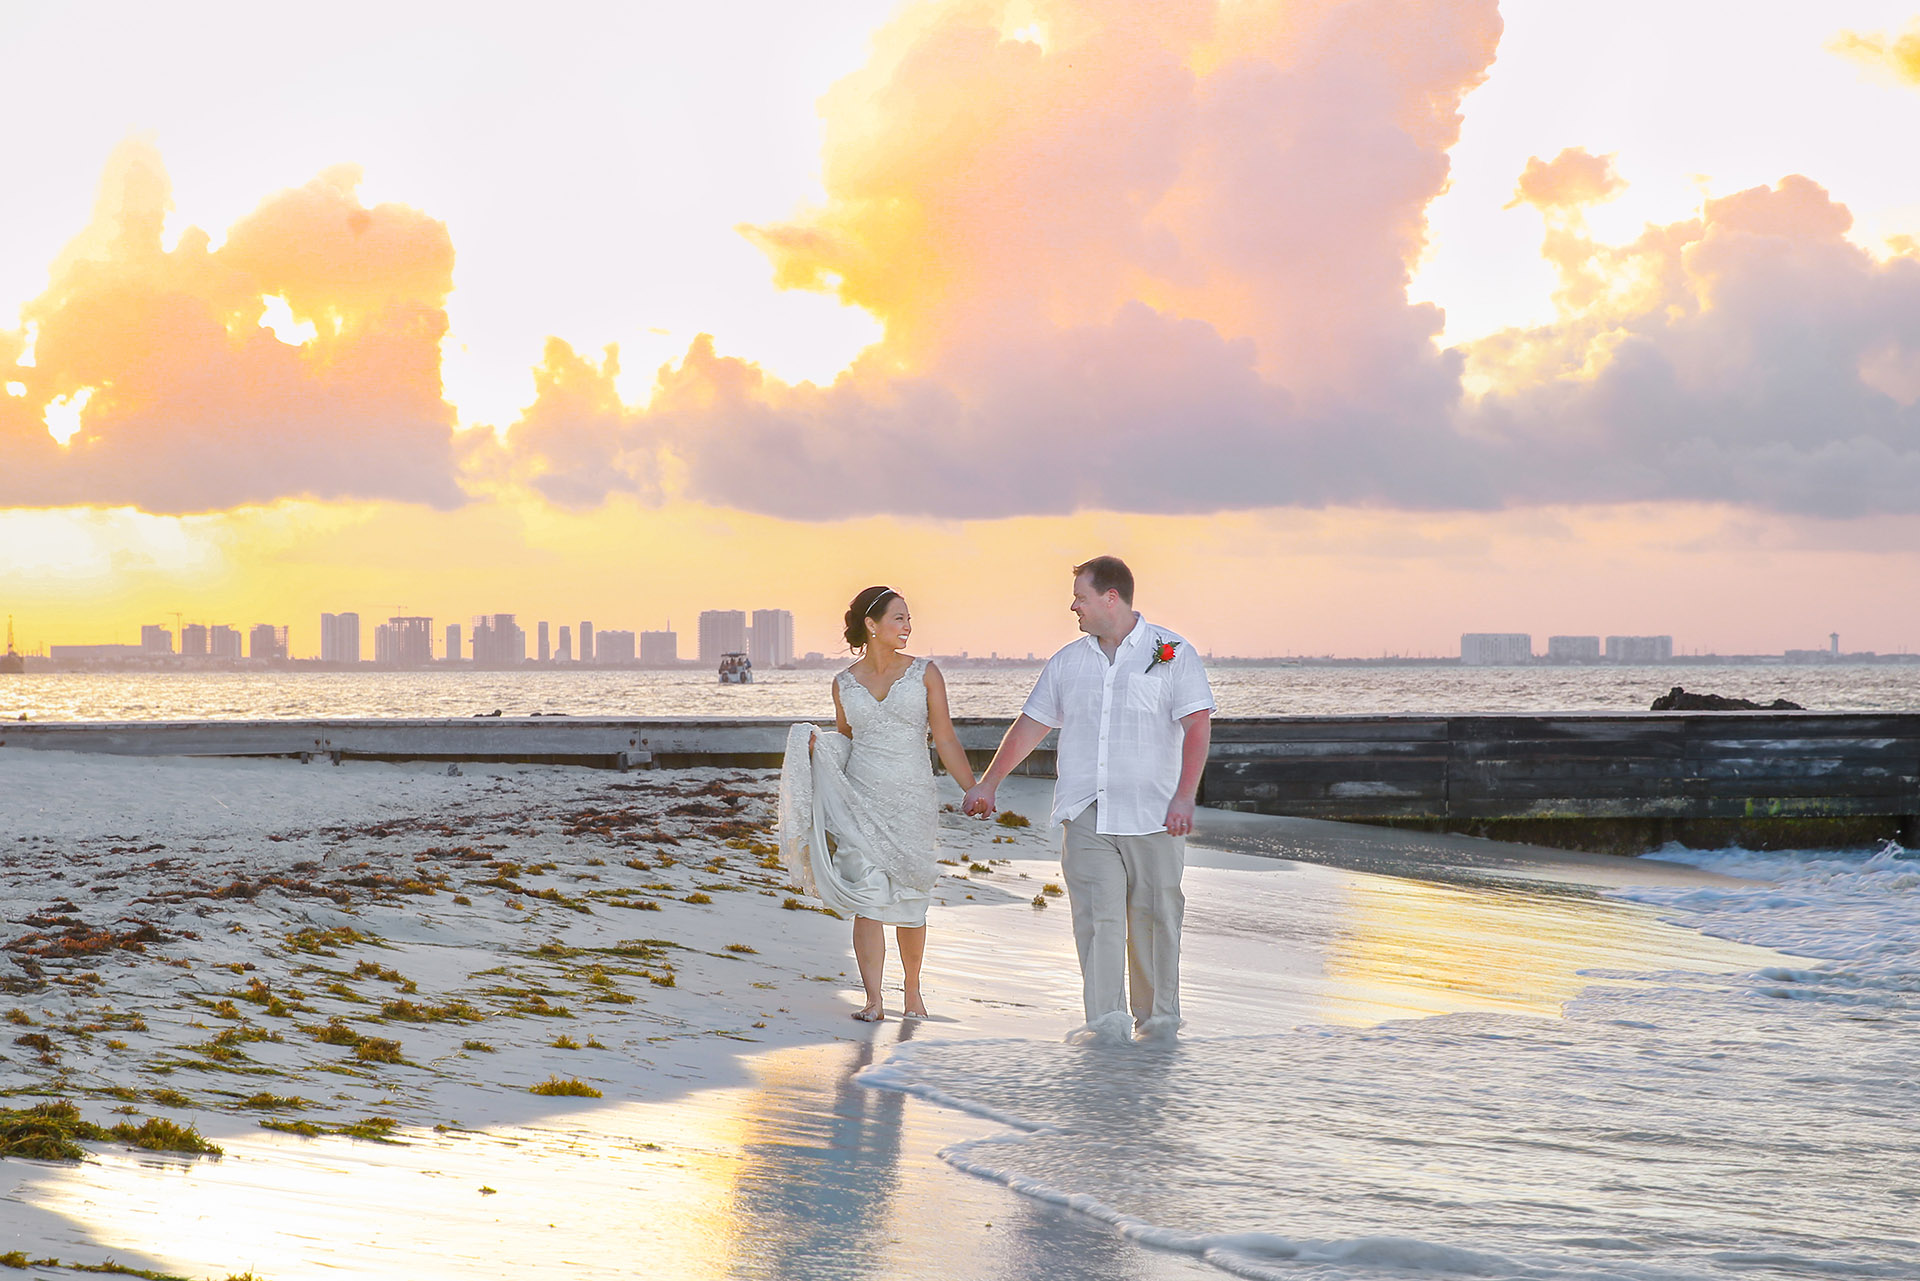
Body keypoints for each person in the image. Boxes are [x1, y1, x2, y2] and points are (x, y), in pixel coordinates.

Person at [963, 557, 1214, 1040]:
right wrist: (989, 782)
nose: (1072, 605)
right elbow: (1031, 724)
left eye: (1080, 596)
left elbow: (1197, 724)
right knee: (1098, 920)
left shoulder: (1172, 652)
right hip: (1086, 814)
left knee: (1156, 919)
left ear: (1110, 598)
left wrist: (1185, 796)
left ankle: (1159, 1027)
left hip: (1154, 815)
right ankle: (1105, 1027)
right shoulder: (1068, 661)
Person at [778, 586, 979, 1022]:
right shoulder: (844, 682)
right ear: (872, 625)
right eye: (899, 618)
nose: (908, 626)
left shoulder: (926, 673)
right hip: (861, 798)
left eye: (909, 619)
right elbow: (848, 740)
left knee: (909, 898)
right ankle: (873, 999)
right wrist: (819, 745)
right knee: (868, 897)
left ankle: (912, 992)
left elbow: (944, 738)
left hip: (911, 799)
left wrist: (972, 788)